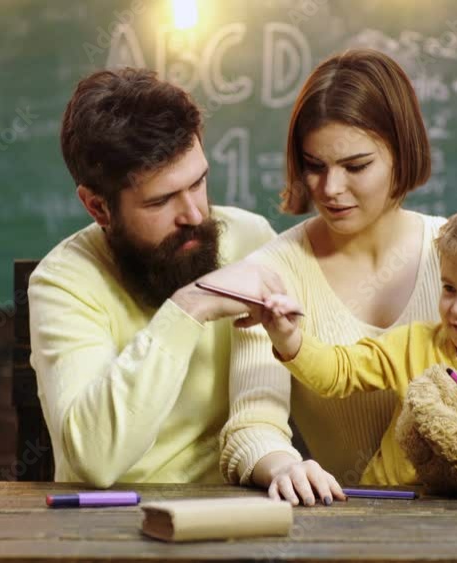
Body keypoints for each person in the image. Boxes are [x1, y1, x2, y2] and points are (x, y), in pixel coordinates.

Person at [218, 49, 457, 506]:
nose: (330, 189)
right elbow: (253, 424)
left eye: (356, 166)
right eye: (314, 166)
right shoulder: (273, 271)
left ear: (402, 153)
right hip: (355, 514)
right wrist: (284, 465)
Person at [28, 68, 283, 486]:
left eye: (199, 181)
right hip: (108, 528)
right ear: (98, 208)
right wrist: (191, 305)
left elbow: (262, 416)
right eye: (161, 201)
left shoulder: (251, 239)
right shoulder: (62, 283)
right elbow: (95, 459)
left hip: (226, 520)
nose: (195, 215)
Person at [258, 187, 457, 492]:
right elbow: (337, 372)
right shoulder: (414, 343)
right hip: (384, 506)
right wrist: (288, 338)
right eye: (449, 288)